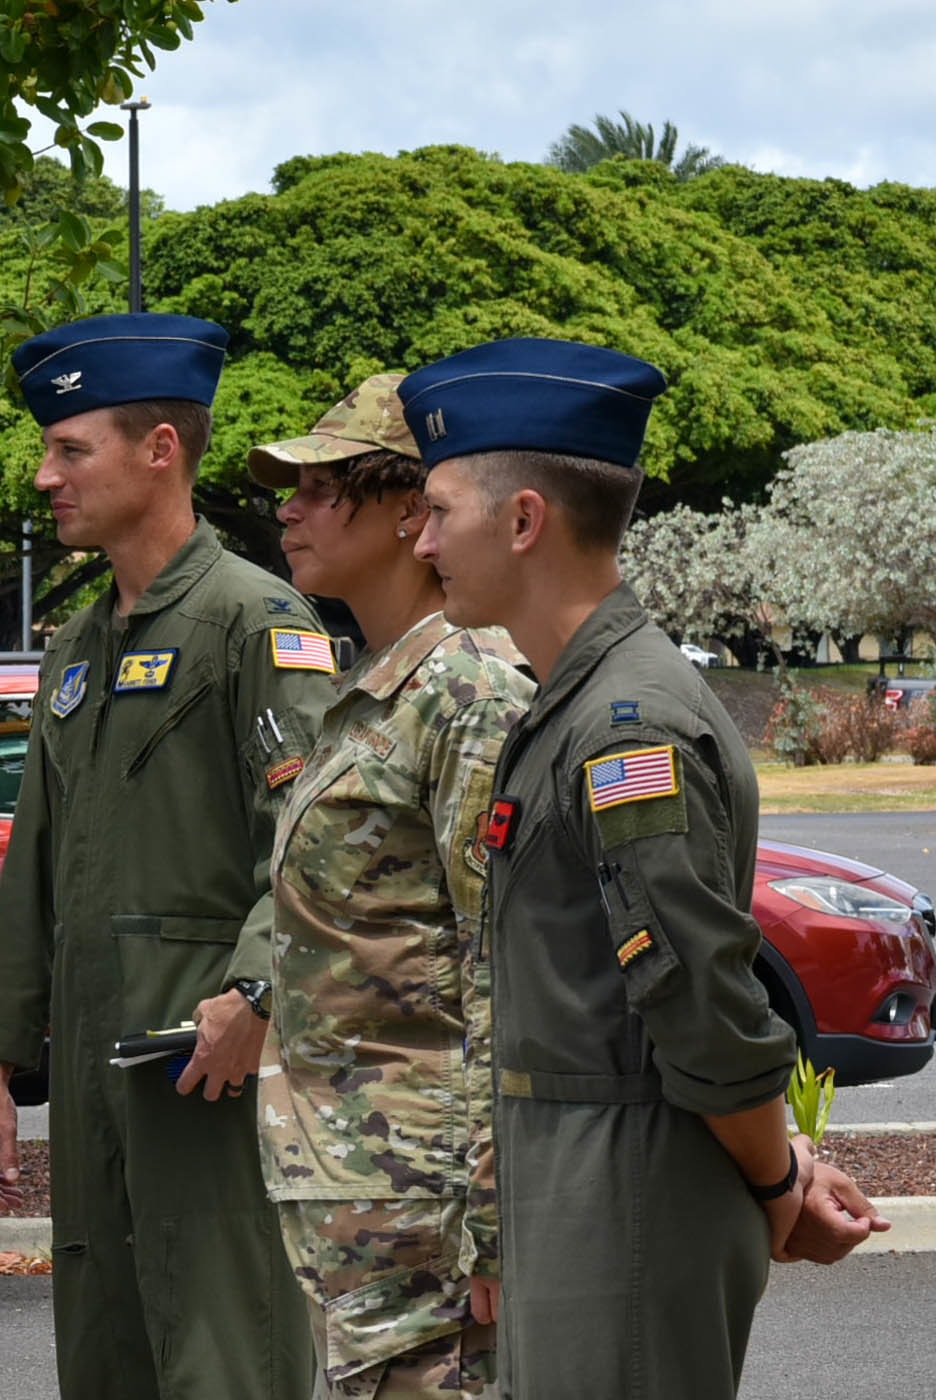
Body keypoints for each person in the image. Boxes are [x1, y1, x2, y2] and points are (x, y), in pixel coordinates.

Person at [403, 337, 890, 1399]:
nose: (422, 538)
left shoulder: (628, 727)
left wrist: (778, 1180)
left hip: (621, 1213)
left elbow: (698, 1003)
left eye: (438, 509)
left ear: (523, 520)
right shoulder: (578, 701)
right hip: (583, 1199)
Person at [0, 312, 334, 1399]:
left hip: (210, 1063)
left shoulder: (256, 621)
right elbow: (34, 865)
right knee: (105, 1357)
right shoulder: (77, 646)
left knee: (227, 1354)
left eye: (71, 449)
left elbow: (313, 841)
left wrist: (256, 994)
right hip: (95, 1066)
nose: (46, 477)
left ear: (160, 450)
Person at [246, 375, 531, 1398]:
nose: (290, 510)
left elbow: (500, 961)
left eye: (322, 488)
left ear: (413, 510)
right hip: (359, 1184)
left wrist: (494, 1220)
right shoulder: (379, 686)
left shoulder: (467, 689)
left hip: (426, 1198)